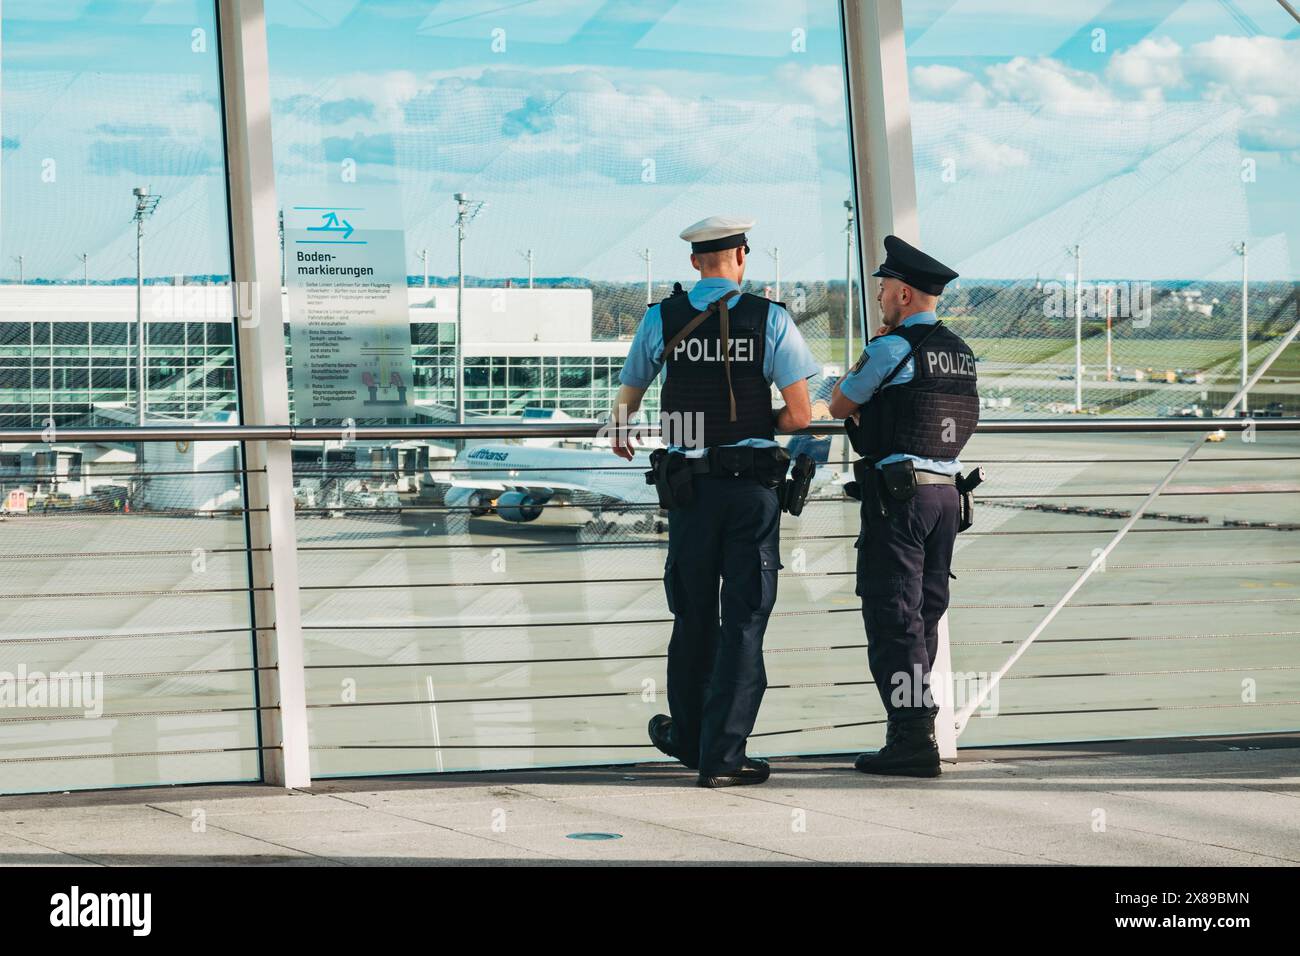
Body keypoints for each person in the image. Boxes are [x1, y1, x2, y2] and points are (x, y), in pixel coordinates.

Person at [608, 215, 818, 788]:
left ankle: (690, 737)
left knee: (692, 616)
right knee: (745, 622)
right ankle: (724, 756)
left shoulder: (661, 317)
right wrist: (752, 421)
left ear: (695, 262)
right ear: (743, 256)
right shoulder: (770, 318)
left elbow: (625, 409)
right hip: (750, 491)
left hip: (689, 491)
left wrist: (638, 424)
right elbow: (800, 415)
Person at [829, 235, 979, 778]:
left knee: (893, 614)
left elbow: (840, 402)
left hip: (900, 499)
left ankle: (911, 737)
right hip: (946, 496)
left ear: (907, 296)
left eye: (887, 290)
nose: (883, 299)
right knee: (924, 615)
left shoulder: (892, 348)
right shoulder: (959, 351)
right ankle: (917, 727)